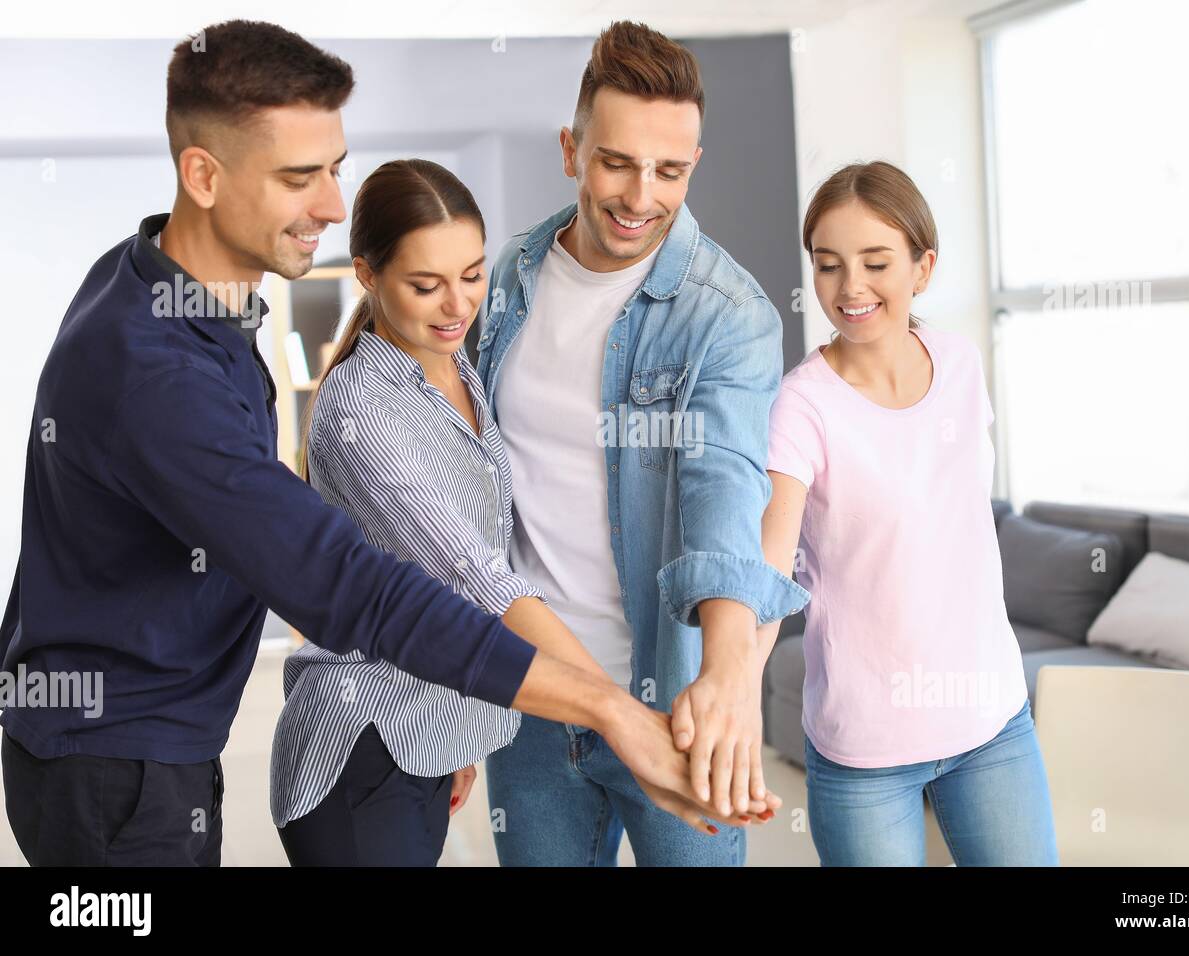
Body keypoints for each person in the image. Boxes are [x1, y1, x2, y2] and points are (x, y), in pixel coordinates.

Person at [0, 19, 745, 868]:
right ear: (202, 175)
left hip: (141, 750)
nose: (329, 203)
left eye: (333, 170)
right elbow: (352, 584)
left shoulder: (155, 284)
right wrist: (612, 709)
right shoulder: (160, 376)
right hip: (115, 771)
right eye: (297, 177)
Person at [477, 20, 807, 867]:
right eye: (617, 161)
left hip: (675, 702)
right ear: (570, 149)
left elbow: (723, 487)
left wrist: (730, 674)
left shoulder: (727, 315)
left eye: (670, 170)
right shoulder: (507, 277)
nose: (640, 195)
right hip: (538, 699)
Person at [272, 158, 632, 865]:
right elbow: (473, 572)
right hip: (362, 743)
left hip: (423, 740)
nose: (457, 305)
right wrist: (614, 710)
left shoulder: (460, 368)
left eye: (471, 275)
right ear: (368, 276)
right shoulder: (359, 405)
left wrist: (455, 734)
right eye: (425, 285)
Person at [758, 161, 1059, 866]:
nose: (850, 288)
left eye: (875, 262)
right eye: (828, 266)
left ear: (923, 267)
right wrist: (737, 696)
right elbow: (770, 563)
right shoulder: (801, 404)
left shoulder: (959, 363)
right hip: (866, 751)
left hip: (992, 724)